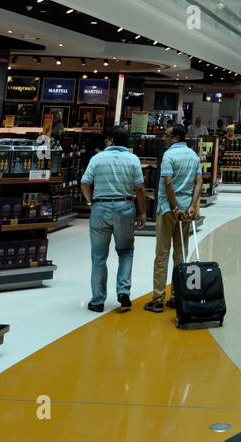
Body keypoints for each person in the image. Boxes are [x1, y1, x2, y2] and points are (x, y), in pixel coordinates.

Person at [80, 126, 147, 313]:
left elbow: (85, 182)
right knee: (125, 252)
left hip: (100, 207)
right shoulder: (133, 159)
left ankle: (97, 300)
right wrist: (142, 212)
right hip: (125, 207)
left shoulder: (97, 158)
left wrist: (90, 202)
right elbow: (140, 188)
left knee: (99, 256)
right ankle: (123, 291)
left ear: (110, 140)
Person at [143, 123, 202, 314]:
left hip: (168, 209)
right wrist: (191, 206)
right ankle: (177, 296)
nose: (164, 138)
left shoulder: (168, 156)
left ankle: (158, 298)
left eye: (167, 135)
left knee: (162, 254)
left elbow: (168, 182)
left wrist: (174, 206)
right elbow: (199, 182)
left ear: (176, 138)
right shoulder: (193, 156)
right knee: (180, 253)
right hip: (186, 211)